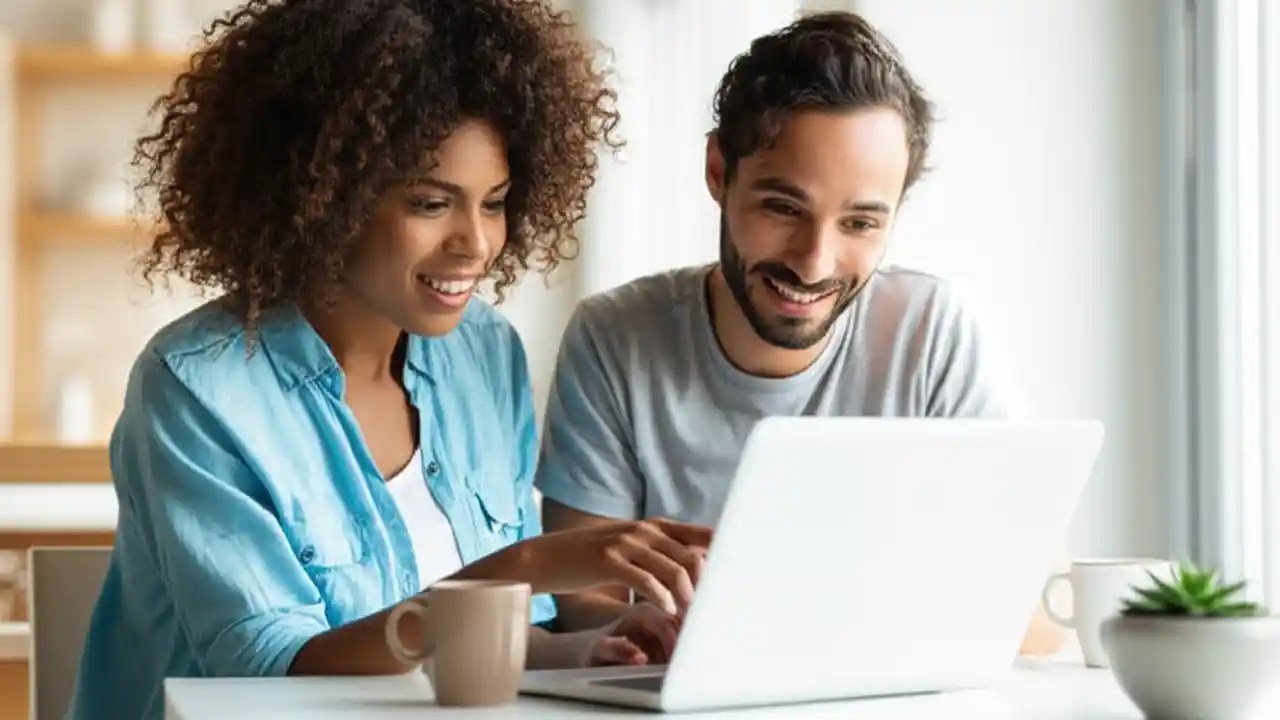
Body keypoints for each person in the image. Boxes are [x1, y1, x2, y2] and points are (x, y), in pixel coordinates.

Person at [68, 2, 710, 718]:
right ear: (327, 197)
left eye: (493, 203)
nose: (476, 243)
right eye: (433, 203)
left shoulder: (482, 356)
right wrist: (527, 568)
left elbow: (475, 649)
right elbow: (274, 668)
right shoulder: (198, 388)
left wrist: (590, 649)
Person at [535, 10, 1064, 657]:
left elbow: (1031, 621)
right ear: (717, 173)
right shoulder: (615, 338)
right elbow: (586, 607)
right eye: (783, 208)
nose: (814, 262)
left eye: (860, 224)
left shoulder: (934, 336)